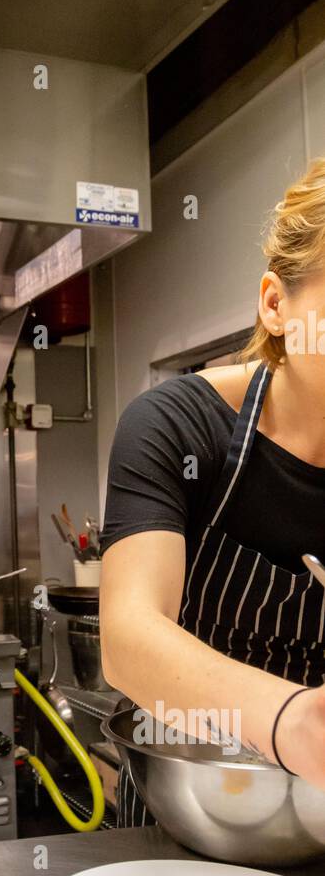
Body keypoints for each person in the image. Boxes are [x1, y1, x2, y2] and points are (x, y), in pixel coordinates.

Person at [100, 159, 325, 825]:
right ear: (276, 304)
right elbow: (129, 637)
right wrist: (294, 721)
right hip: (185, 812)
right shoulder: (175, 426)